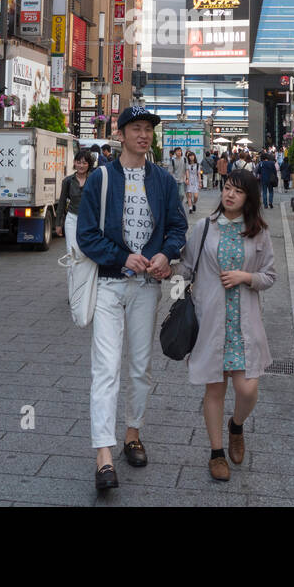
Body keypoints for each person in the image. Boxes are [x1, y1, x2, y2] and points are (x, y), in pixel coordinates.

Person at [75, 105, 187, 493]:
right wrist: (122, 256)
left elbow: (177, 228)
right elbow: (86, 235)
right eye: (136, 128)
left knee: (141, 367)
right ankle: (103, 455)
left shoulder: (163, 181)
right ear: (120, 134)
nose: (144, 135)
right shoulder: (101, 178)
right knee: (106, 369)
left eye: (148, 130)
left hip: (146, 289)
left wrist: (163, 255)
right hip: (109, 284)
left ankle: (132, 434)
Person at [181, 166, 276, 481]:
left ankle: (237, 425)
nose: (230, 194)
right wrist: (163, 272)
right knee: (215, 387)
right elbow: (186, 266)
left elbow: (270, 275)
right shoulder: (205, 228)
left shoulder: (258, 232)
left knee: (247, 387)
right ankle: (216, 453)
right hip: (211, 319)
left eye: (237, 190)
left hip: (243, 321)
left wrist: (246, 277)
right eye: (226, 188)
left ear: (248, 197)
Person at [56, 148, 95, 247]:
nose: (81, 166)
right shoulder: (68, 181)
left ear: (89, 164)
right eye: (79, 162)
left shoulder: (94, 180)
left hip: (90, 220)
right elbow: (62, 203)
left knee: (87, 249)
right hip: (72, 217)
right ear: (74, 163)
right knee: (72, 249)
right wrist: (58, 224)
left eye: (84, 163)